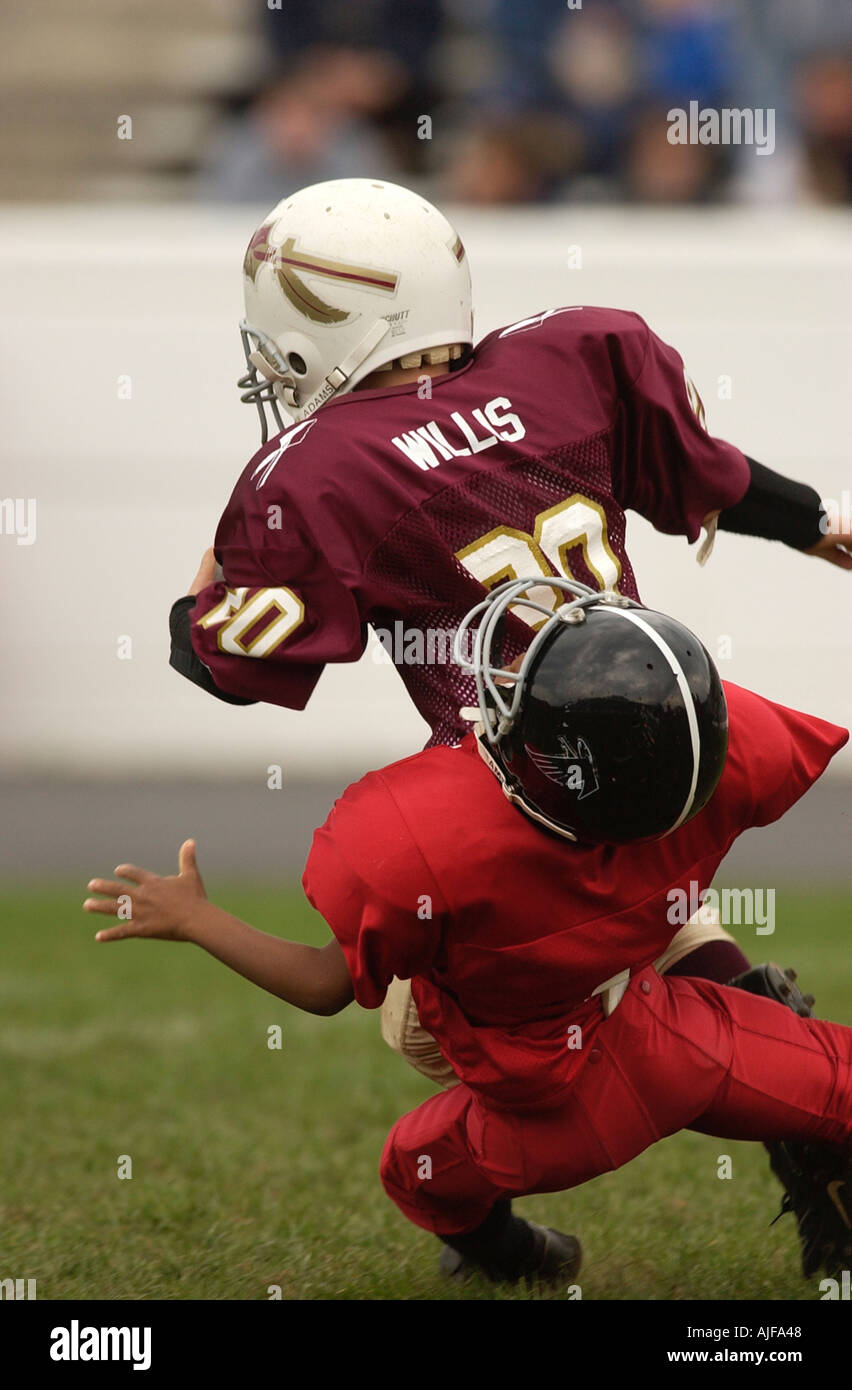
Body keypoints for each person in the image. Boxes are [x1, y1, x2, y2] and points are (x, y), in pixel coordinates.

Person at [92, 581, 852, 1285]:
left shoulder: (430, 840)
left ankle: (520, 1256)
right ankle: (744, 1008)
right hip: (683, 1043)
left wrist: (199, 919)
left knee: (414, 1169)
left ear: (552, 767)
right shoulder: (732, 746)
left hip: (555, 1107)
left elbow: (328, 986)